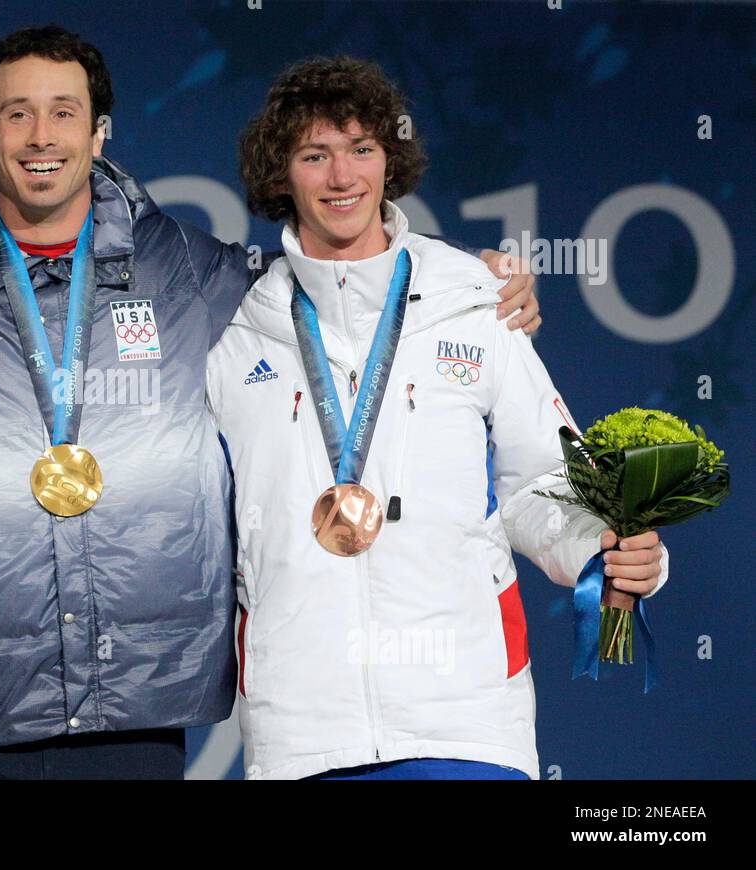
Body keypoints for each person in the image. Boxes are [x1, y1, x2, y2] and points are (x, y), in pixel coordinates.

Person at [0, 25, 538, 780]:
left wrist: (469, 273)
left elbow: (344, 285)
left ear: (101, 133)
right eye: (18, 114)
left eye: (65, 112)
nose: (43, 136)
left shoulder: (193, 273)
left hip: (134, 704)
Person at [208, 55, 668, 780]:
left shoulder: (472, 301)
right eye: (314, 155)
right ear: (280, 174)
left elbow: (541, 479)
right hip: (301, 731)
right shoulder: (236, 333)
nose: (342, 177)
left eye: (362, 150)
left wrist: (601, 550)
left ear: (390, 161)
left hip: (466, 720)